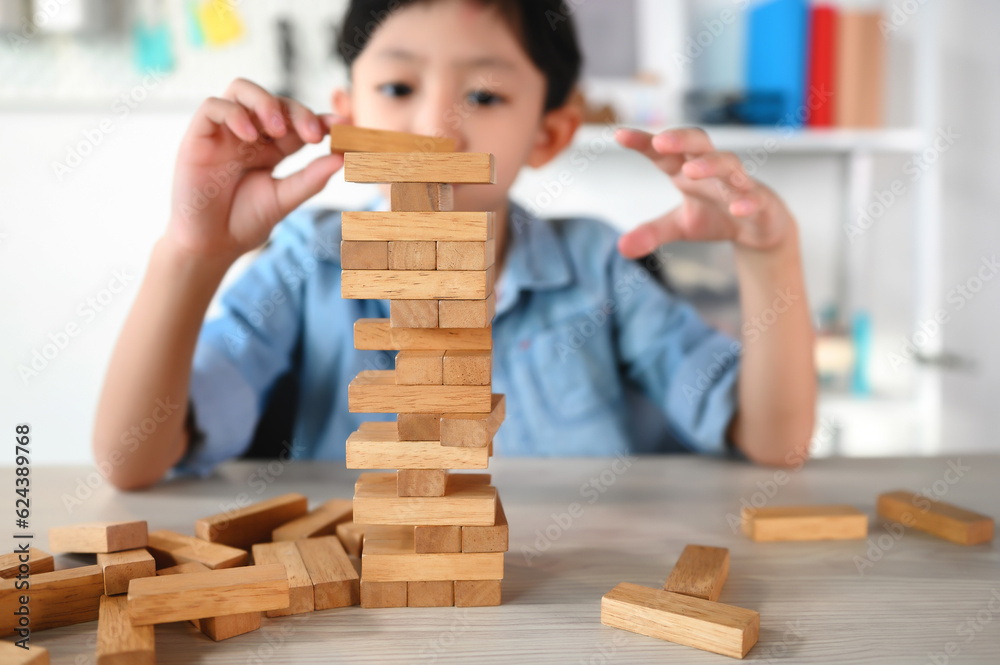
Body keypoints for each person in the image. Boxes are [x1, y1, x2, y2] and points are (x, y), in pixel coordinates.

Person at [93, 0, 816, 490]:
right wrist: (191, 253)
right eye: (399, 86)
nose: (436, 130)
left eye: (484, 96)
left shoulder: (599, 266)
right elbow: (132, 459)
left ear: (550, 134)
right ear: (344, 115)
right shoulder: (308, 259)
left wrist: (767, 253)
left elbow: (775, 441)